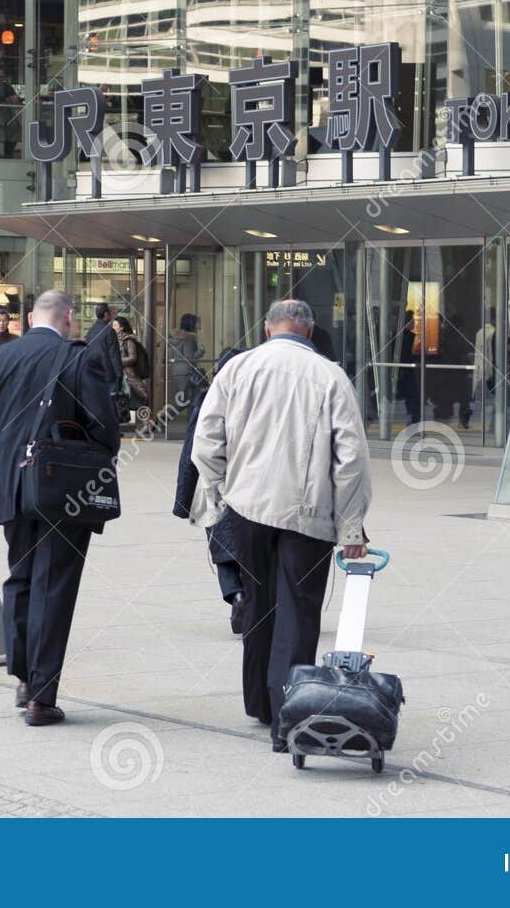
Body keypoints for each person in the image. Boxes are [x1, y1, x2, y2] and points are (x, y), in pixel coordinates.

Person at [189, 299, 371, 751]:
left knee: (258, 601)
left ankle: (259, 702)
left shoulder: (237, 369)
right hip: (307, 514)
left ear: (269, 329)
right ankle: (287, 717)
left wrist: (219, 491)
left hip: (248, 508)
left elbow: (206, 440)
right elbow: (351, 460)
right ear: (308, 332)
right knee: (299, 610)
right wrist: (351, 525)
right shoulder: (330, 376)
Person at [0, 290, 119, 726]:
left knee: (22, 580)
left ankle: (25, 677)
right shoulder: (79, 358)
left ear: (30, 318)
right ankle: (42, 699)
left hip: (12, 490)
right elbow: (106, 430)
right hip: (61, 491)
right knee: (55, 587)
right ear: (68, 317)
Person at [174, 346, 244, 633]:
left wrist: (183, 500)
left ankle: (238, 596)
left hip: (214, 487)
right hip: (251, 487)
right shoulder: (259, 401)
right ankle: (254, 599)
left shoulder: (207, 400)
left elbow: (192, 449)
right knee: (251, 546)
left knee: (223, 545)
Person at [85, 302, 124, 399]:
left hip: (93, 375)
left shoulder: (90, 331)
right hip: (108, 376)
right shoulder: (109, 331)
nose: (111, 315)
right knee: (111, 407)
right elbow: (114, 355)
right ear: (106, 314)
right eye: (110, 313)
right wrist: (119, 376)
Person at [113, 315, 151, 408]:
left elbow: (133, 358)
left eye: (115, 325)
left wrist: (117, 361)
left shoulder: (128, 340)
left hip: (129, 375)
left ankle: (150, 421)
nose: (112, 328)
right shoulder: (117, 340)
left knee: (140, 402)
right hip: (121, 375)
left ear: (122, 328)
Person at [173, 313, 206, 410]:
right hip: (187, 372)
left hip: (178, 371)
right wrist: (201, 351)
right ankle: (162, 418)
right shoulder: (190, 338)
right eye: (197, 322)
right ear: (192, 324)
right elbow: (190, 357)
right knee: (184, 402)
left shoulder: (180, 336)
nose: (199, 325)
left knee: (184, 400)